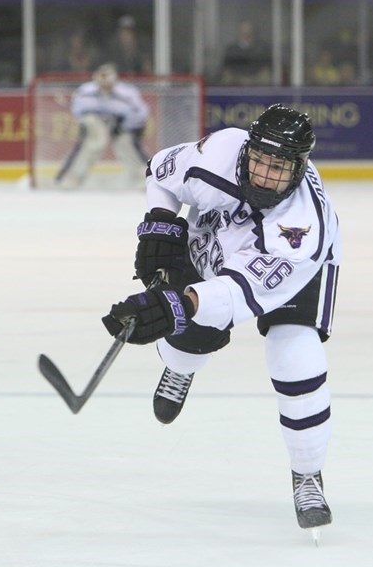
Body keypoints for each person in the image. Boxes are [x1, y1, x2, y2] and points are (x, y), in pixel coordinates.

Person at [99, 104, 341, 534]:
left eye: (278, 167)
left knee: (294, 352)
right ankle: (179, 368)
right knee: (188, 342)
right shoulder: (222, 152)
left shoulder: (302, 231)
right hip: (217, 232)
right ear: (247, 150)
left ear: (301, 168)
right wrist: (160, 224)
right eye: (260, 161)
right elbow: (160, 172)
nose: (265, 175)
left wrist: (173, 305)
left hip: (296, 268)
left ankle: (307, 473)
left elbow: (236, 296)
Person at [54, 63, 150, 189]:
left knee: (125, 144)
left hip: (121, 125)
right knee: (94, 141)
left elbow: (141, 113)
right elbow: (79, 112)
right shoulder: (86, 91)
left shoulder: (127, 93)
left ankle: (143, 178)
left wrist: (125, 126)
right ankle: (71, 177)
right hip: (95, 124)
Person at [220, 20, 272, 86]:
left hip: (256, 77)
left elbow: (267, 63)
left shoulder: (262, 47)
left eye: (248, 29)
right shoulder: (231, 48)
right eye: (243, 30)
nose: (246, 32)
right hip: (236, 77)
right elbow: (225, 65)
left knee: (266, 76)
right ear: (238, 31)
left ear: (253, 31)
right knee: (226, 77)